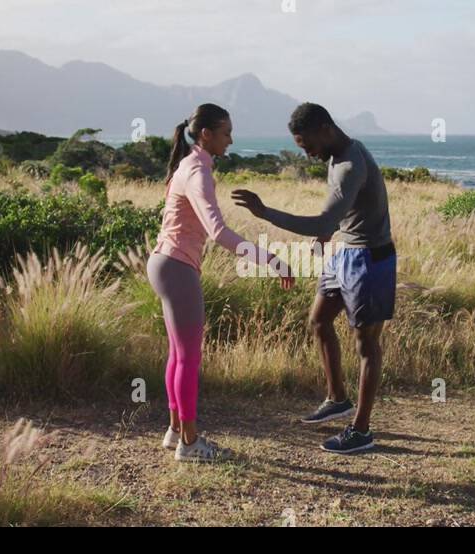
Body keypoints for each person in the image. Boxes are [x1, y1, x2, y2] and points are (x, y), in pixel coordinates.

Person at [232, 102, 395, 454]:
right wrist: (326, 239)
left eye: (308, 147)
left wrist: (265, 213)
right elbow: (338, 215)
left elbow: (324, 219)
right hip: (344, 253)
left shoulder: (351, 164)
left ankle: (361, 431)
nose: (308, 155)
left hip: (370, 258)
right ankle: (337, 397)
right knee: (319, 321)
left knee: (366, 345)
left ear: (325, 129)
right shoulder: (335, 156)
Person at [148, 103, 294, 462]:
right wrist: (271, 259)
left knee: (178, 356)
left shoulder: (188, 164)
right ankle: (190, 442)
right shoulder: (198, 170)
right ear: (206, 135)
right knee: (189, 359)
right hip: (177, 268)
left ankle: (175, 432)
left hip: (164, 264)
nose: (231, 140)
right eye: (226, 133)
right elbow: (218, 233)